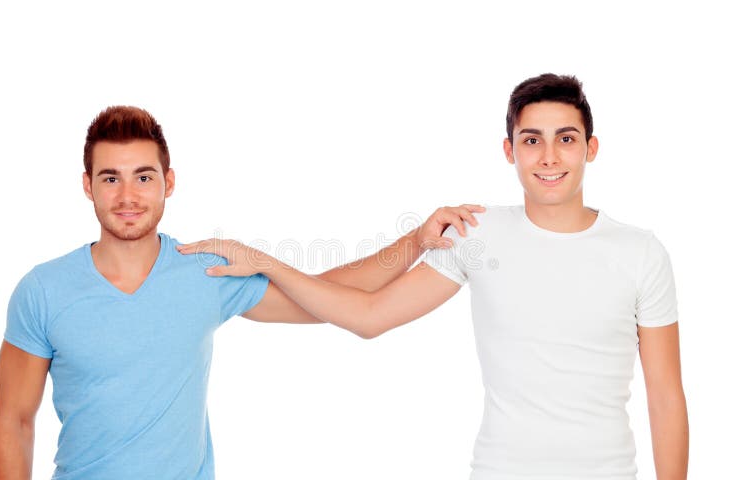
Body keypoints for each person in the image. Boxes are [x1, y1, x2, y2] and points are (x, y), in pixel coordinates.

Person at [184, 74, 689, 479]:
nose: (550, 156)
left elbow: (665, 394)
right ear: (510, 150)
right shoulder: (478, 233)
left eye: (566, 139)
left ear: (591, 148)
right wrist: (268, 263)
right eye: (532, 140)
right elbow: (368, 316)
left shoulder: (640, 252)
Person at [0, 105, 483, 480]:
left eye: (143, 177)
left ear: (169, 182)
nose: (127, 197)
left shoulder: (202, 272)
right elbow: (14, 421)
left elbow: (328, 293)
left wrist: (417, 240)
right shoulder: (42, 291)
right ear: (87, 185)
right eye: (110, 178)